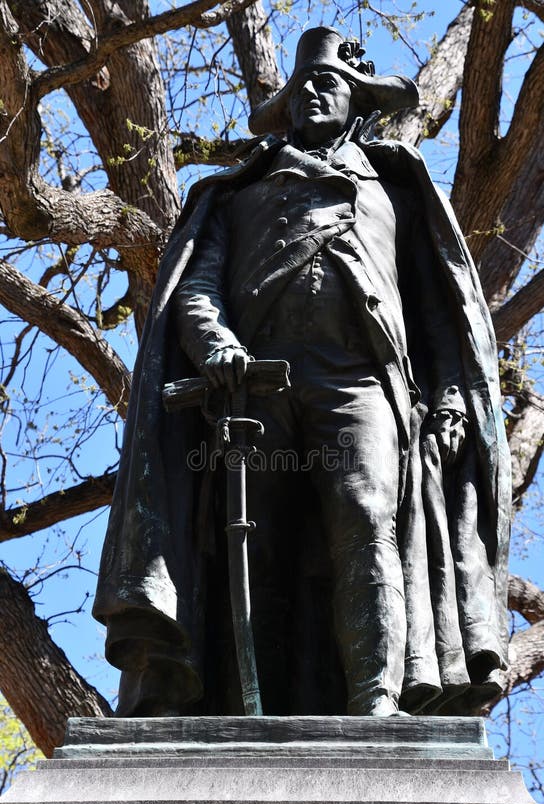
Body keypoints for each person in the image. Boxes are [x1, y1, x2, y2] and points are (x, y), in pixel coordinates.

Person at [94, 27, 511, 718]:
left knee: (368, 517)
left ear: (356, 103)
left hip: (362, 383)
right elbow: (198, 288)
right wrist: (217, 344)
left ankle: (376, 701)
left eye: (331, 84)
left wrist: (450, 395)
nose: (315, 92)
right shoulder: (234, 194)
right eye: (303, 86)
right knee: (256, 544)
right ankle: (240, 712)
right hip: (255, 388)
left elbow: (440, 309)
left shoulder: (396, 186)